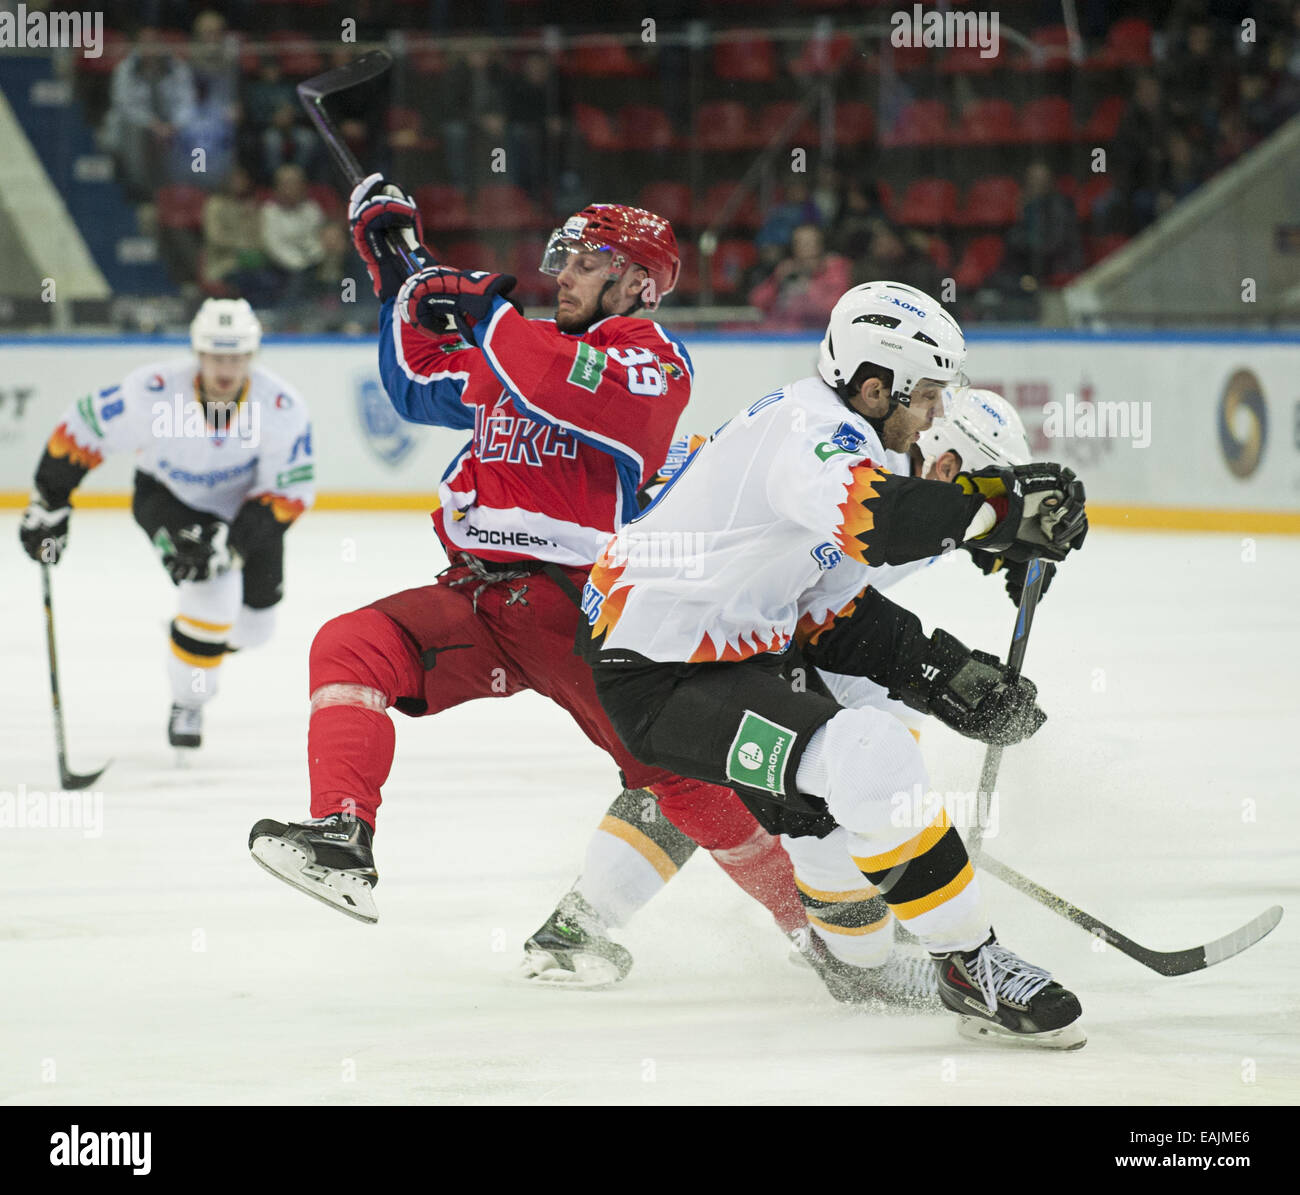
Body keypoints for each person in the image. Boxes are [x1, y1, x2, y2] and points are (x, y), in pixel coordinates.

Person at [246, 188, 807, 960]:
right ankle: (342, 833)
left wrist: (481, 310)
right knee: (351, 645)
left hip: (579, 612)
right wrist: (397, 276)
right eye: (563, 260)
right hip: (480, 600)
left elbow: (558, 382)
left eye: (588, 263)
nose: (564, 276)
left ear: (639, 284)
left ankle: (812, 924)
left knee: (676, 780)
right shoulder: (522, 347)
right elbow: (417, 381)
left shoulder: (652, 363)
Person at [579, 281, 1091, 1048]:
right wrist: (998, 514)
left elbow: (829, 616)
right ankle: (969, 961)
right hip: (657, 673)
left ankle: (864, 967)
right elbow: (876, 520)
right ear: (876, 385)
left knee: (830, 806)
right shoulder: (814, 432)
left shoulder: (854, 442)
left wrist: (945, 674)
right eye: (926, 397)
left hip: (732, 653)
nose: (933, 415)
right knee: (871, 754)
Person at [518, 388, 1046, 994]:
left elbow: (838, 595)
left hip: (724, 626)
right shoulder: (860, 471)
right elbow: (816, 596)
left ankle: (854, 927)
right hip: (671, 630)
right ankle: (590, 919)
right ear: (948, 464)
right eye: (982, 485)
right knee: (738, 769)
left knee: (806, 767)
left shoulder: (899, 472)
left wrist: (1000, 556)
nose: (985, 503)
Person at [18, 299, 315, 749]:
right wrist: (50, 501)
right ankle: (188, 699)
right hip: (168, 499)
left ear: (252, 356)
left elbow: (290, 493)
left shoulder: (281, 407)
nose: (226, 368)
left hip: (243, 510)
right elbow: (84, 428)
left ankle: (192, 641)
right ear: (198, 352)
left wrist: (234, 544)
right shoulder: (154, 391)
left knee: (256, 628)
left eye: (236, 357)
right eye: (216, 355)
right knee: (212, 598)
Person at [748, 224, 851, 330]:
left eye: (811, 242)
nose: (807, 248)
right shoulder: (788, 270)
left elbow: (836, 307)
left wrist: (808, 287)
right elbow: (757, 301)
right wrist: (776, 280)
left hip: (818, 333)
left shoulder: (834, 269)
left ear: (821, 245)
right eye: (800, 243)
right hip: (782, 332)